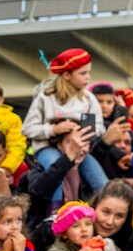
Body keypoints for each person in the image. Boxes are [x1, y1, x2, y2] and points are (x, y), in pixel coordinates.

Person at [21, 49, 108, 200]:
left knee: (102, 184)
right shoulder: (46, 98)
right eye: (83, 73)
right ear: (67, 75)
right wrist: (53, 130)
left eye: (88, 73)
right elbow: (27, 129)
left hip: (80, 150)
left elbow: (100, 128)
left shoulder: (88, 99)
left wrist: (85, 130)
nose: (88, 77)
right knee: (56, 176)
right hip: (48, 148)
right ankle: (54, 217)